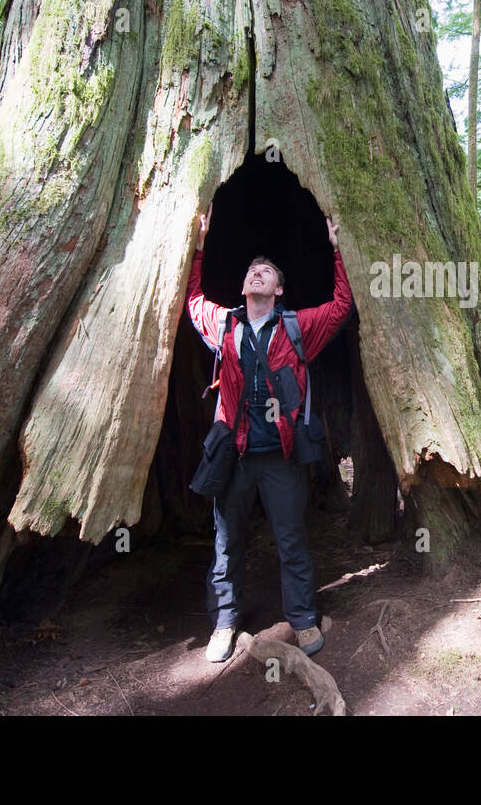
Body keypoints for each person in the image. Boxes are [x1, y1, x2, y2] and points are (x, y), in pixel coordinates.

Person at [185, 203, 352, 662]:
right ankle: (223, 622)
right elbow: (193, 301)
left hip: (279, 457)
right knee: (226, 543)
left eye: (266, 272)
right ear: (244, 286)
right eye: (252, 271)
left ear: (278, 288)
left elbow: (340, 306)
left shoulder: (297, 328)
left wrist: (337, 251)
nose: (257, 274)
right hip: (234, 457)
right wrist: (199, 248)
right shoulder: (225, 325)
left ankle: (301, 619)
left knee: (291, 538)